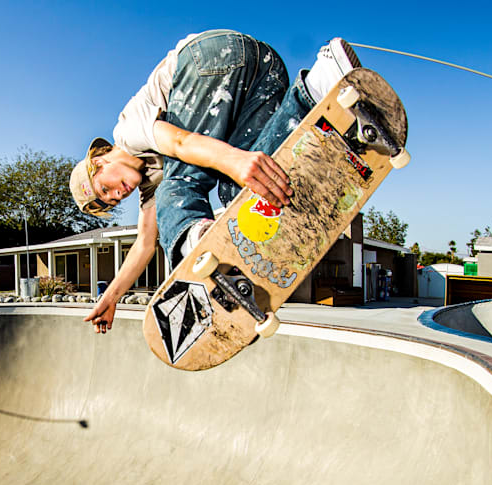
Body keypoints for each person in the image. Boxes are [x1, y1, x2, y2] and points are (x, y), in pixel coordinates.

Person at [71, 31, 360, 334]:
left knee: (180, 184)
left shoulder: (128, 132)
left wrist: (233, 163)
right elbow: (144, 244)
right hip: (265, 71)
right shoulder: (150, 182)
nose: (119, 193)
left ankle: (199, 246)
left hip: (211, 59)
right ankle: (318, 85)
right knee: (241, 192)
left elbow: (181, 142)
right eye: (114, 200)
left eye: (107, 188)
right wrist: (111, 296)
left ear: (100, 160)